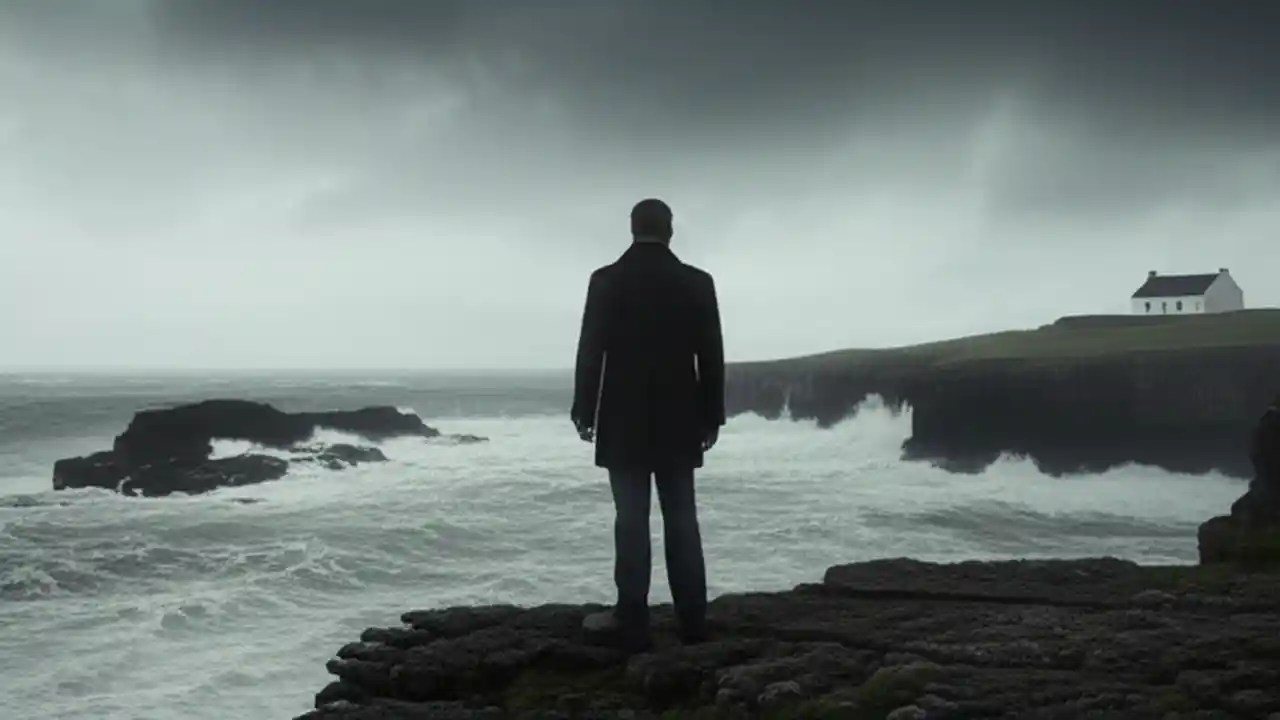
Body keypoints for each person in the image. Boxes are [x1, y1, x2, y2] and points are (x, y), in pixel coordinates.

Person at [571, 198, 725, 652]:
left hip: (623, 419)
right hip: (680, 419)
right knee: (681, 518)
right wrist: (712, 415)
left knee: (631, 519)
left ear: (632, 229)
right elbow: (711, 356)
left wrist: (584, 410)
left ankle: (633, 619)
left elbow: (590, 350)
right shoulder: (697, 283)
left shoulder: (606, 281)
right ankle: (693, 619)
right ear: (670, 230)